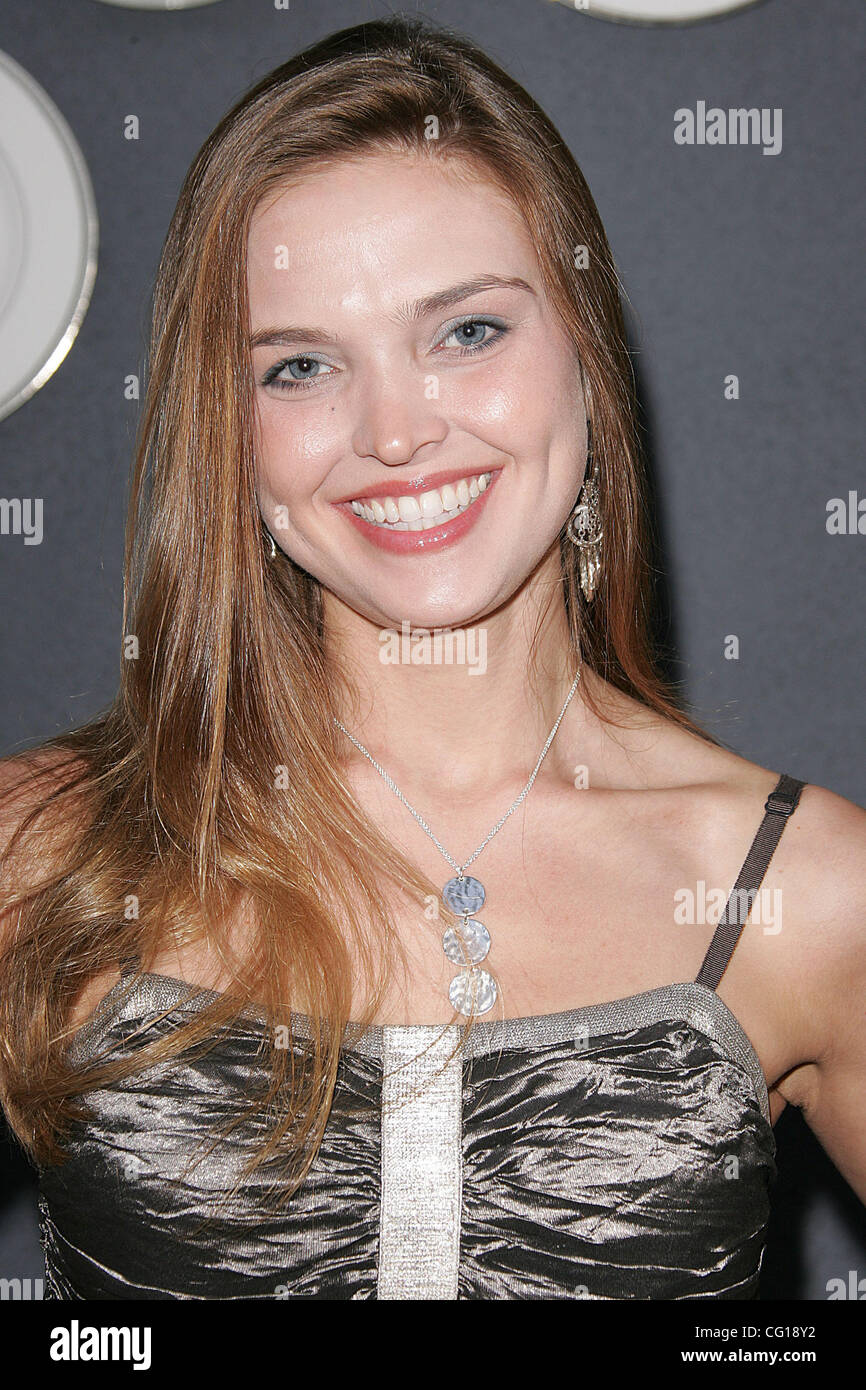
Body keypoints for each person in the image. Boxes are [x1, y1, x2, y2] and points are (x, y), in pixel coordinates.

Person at [0, 14, 863, 1301]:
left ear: (584, 354)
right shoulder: (45, 853)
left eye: (466, 332)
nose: (396, 431)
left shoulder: (802, 892)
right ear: (227, 439)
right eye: (299, 365)